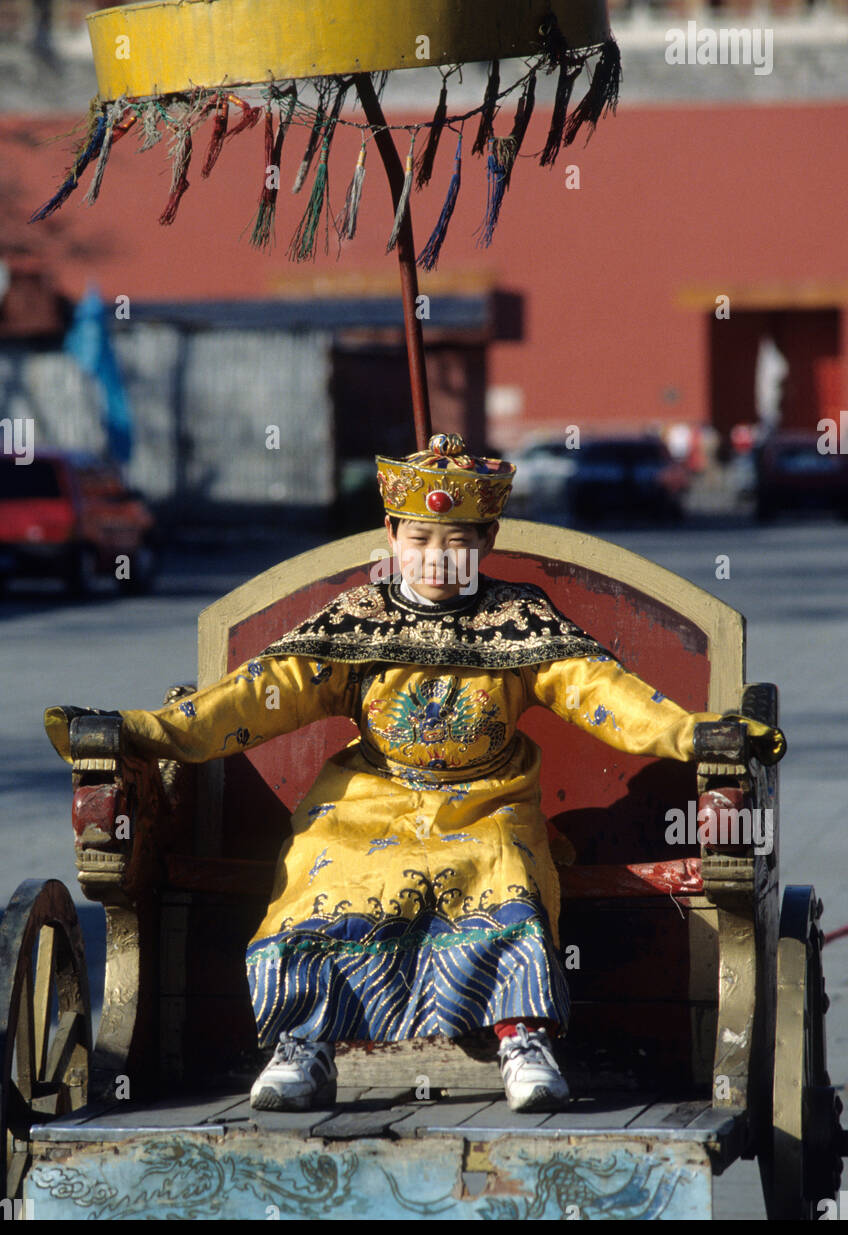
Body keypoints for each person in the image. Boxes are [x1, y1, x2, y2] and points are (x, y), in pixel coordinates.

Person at [44, 432, 786, 1114]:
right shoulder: (357, 621)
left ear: (488, 541)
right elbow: (257, 697)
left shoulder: (522, 622)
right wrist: (148, 730)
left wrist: (694, 734)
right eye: (420, 539)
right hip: (367, 803)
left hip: (487, 802)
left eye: (457, 542)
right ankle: (303, 1046)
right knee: (319, 881)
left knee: (509, 877)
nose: (436, 558)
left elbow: (607, 698)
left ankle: (522, 1040)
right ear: (392, 536)